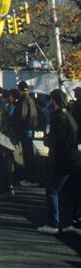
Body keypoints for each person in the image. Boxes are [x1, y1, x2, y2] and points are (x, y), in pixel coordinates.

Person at [37, 90, 81, 236]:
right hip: (74, 159)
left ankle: (53, 223)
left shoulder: (58, 118)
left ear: (54, 101)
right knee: (70, 192)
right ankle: (72, 222)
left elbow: (58, 142)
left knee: (52, 189)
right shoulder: (68, 116)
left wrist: (47, 141)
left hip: (62, 161)